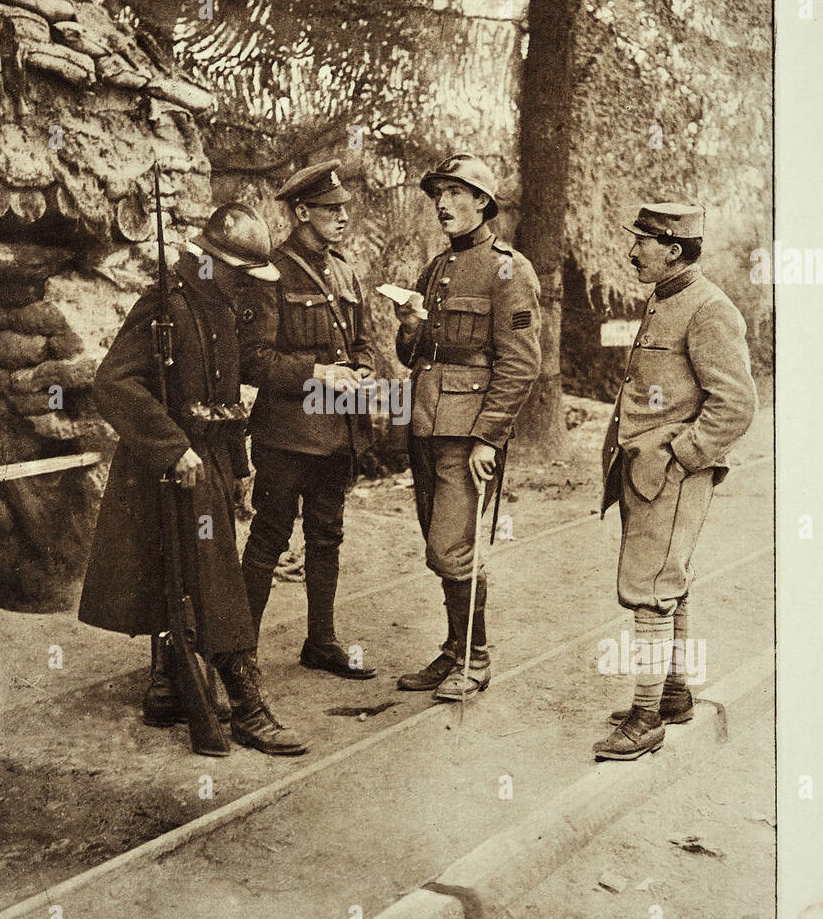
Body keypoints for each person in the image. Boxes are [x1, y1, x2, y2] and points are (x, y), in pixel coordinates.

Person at [78, 202, 307, 756]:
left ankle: (168, 685)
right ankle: (247, 707)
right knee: (213, 577)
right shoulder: (165, 305)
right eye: (239, 273)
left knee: (182, 568)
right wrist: (171, 448)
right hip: (167, 463)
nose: (244, 285)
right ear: (212, 262)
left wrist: (241, 469)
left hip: (210, 459)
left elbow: (225, 399)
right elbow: (113, 383)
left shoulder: (221, 309)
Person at [594, 203, 758, 761]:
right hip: (646, 469)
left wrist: (680, 455)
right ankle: (672, 693)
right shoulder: (665, 298)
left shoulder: (709, 308)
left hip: (671, 472)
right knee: (671, 582)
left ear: (673, 248)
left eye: (643, 240)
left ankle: (644, 720)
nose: (633, 249)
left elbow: (735, 404)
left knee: (650, 592)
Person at [394, 154, 541, 701]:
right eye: (438, 193)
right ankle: (455, 648)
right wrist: (409, 327)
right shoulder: (435, 270)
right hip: (426, 425)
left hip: (468, 435)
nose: (443, 203)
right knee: (440, 544)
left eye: (456, 192)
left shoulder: (509, 269)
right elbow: (417, 355)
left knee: (452, 549)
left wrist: (488, 437)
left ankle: (476, 658)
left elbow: (520, 362)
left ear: (482, 201)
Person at [239, 159, 378, 678]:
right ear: (301, 211)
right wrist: (320, 373)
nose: (343, 217)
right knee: (269, 538)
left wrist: (363, 372)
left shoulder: (344, 270)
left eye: (344, 208)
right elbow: (252, 360)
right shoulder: (269, 273)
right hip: (286, 436)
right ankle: (240, 653)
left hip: (336, 432)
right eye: (330, 209)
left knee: (327, 536)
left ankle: (321, 640)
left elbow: (363, 346)